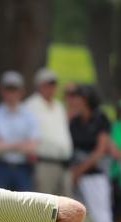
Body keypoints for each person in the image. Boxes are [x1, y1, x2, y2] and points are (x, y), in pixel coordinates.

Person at [67, 84, 116, 222]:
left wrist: (80, 170)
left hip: (95, 175)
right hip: (76, 174)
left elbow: (100, 150)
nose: (74, 101)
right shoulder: (74, 121)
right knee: (76, 213)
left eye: (78, 97)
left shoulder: (100, 119)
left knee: (99, 215)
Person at [0, 71, 39, 192]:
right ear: (1, 90)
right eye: (8, 89)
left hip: (23, 168)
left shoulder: (30, 116)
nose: (11, 93)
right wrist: (21, 144)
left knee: (24, 207)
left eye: (14, 89)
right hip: (0, 167)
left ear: (21, 91)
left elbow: (33, 147)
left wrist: (4, 144)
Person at [24, 68, 73, 196]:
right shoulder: (31, 105)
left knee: (65, 205)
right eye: (47, 84)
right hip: (44, 162)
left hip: (63, 162)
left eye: (53, 84)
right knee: (45, 204)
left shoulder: (59, 106)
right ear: (39, 85)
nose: (51, 88)